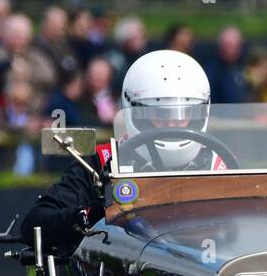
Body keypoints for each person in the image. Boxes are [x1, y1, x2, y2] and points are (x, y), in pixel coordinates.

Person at [21, 50, 212, 254]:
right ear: (137, 113)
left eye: (184, 113)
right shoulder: (103, 161)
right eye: (161, 113)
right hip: (125, 275)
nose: (173, 124)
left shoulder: (217, 165)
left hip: (204, 271)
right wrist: (93, 214)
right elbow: (34, 223)